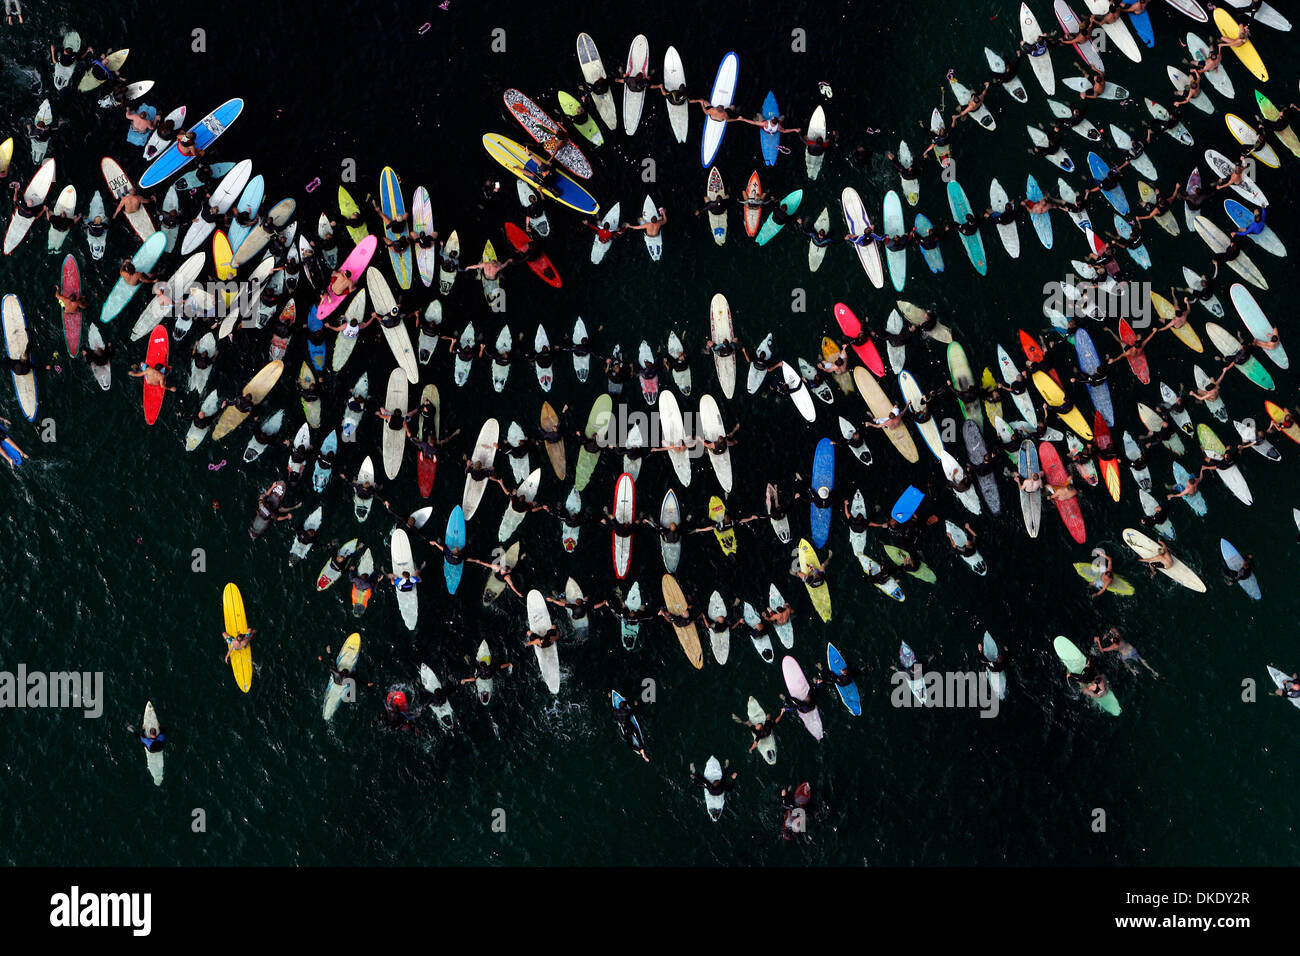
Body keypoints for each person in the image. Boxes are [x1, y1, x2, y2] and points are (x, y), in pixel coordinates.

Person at [612, 694, 649, 762]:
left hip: (625, 730)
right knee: (637, 735)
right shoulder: (627, 711)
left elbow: (613, 709)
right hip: (630, 727)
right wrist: (635, 705)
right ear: (625, 707)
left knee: (630, 744)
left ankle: (638, 750)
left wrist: (609, 698)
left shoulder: (616, 712)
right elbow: (634, 712)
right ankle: (642, 750)